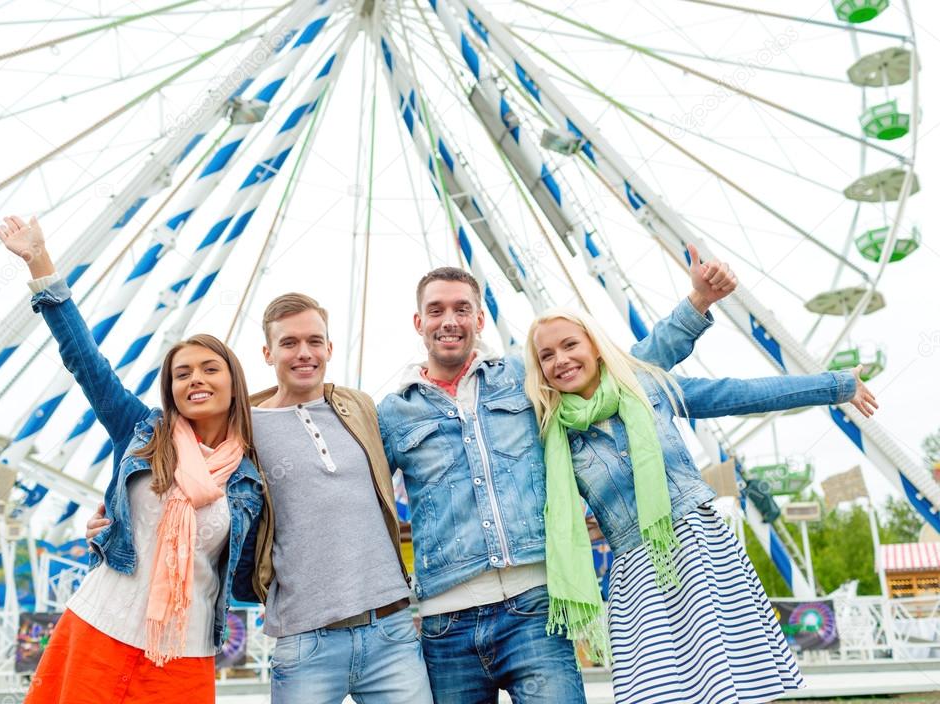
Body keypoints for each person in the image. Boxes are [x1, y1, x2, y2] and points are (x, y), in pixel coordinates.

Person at [375, 245, 737, 702]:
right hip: (446, 622)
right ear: (418, 322)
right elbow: (355, 494)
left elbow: (619, 371)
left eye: (462, 309)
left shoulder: (523, 378)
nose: (450, 320)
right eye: (437, 310)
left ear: (480, 320)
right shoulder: (392, 413)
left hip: (534, 607)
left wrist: (697, 304)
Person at [523, 305, 878, 704]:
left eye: (570, 345)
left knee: (731, 685)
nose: (561, 360)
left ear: (596, 347)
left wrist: (836, 386)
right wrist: (592, 519)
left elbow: (740, 394)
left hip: (699, 549)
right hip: (637, 571)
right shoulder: (554, 434)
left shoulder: (647, 387)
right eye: (547, 356)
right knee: (654, 692)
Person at [89, 293, 433, 703]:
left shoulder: (359, 408)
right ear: (268, 353)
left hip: (391, 632)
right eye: (289, 343)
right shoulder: (243, 435)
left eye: (314, 341)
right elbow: (183, 479)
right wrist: (117, 515)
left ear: (329, 348)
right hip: (305, 641)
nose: (303, 353)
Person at [0, 215, 262, 704]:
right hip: (100, 625)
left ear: (233, 382)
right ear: (171, 388)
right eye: (182, 373)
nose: (195, 380)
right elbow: (86, 362)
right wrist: (40, 262)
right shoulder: (142, 432)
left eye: (209, 368)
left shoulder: (253, 475)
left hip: (185, 652)